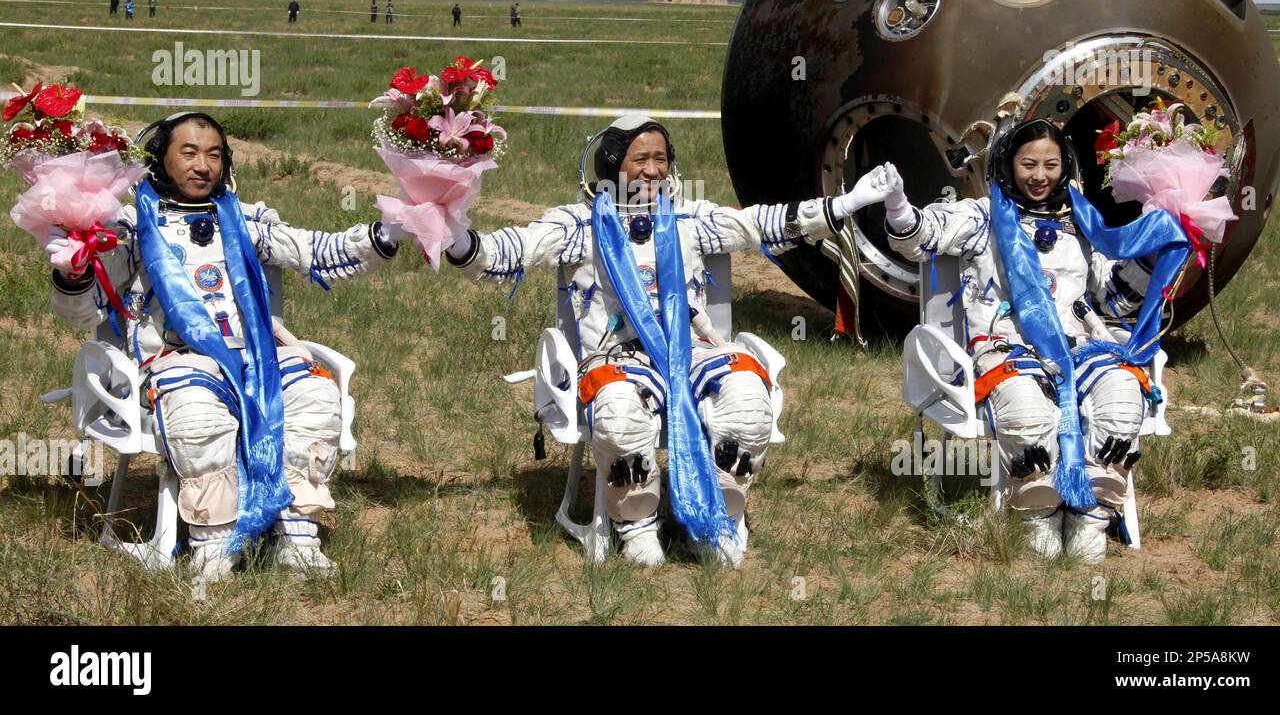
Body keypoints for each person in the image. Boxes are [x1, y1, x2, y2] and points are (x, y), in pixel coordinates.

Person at [431, 116, 885, 568]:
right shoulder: (579, 224)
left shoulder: (692, 218)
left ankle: (717, 516)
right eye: (641, 159)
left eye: (661, 159)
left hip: (692, 352)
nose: (653, 170)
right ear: (611, 165)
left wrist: (846, 204)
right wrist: (456, 240)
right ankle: (638, 524)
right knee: (619, 411)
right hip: (617, 358)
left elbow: (757, 225)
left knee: (747, 398)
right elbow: (516, 249)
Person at [44, 112, 404, 582]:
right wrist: (73, 271)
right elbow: (85, 309)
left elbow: (315, 251)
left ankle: (296, 539)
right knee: (198, 416)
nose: (203, 165)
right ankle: (215, 545)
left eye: (214, 154)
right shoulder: (131, 227)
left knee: (316, 398)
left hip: (257, 353)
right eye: (188, 153)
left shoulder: (247, 218)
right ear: (160, 160)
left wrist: (388, 233)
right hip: (175, 360)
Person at [873, 119, 1189, 562]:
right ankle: (1036, 516)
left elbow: (1114, 301)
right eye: (1028, 164)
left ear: (1066, 167)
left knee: (1120, 399)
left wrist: (1157, 252)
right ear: (1007, 164)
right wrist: (898, 204)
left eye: (1050, 165)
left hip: (1081, 347)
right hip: (1008, 349)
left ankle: (1091, 514)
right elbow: (921, 238)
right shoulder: (981, 216)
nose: (1039, 175)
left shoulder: (1083, 222)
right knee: (1024, 410)